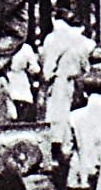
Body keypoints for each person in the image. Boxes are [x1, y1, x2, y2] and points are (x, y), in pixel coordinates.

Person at [39, 11, 93, 146]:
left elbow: (46, 63)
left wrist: (46, 77)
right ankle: (71, 143)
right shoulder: (79, 39)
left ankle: (57, 144)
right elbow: (85, 62)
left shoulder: (51, 39)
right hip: (76, 80)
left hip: (58, 81)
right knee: (74, 113)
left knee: (57, 114)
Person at [6, 40, 41, 122]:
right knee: (24, 102)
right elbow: (35, 68)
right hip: (21, 79)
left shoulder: (3, 45)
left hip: (6, 79)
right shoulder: (26, 48)